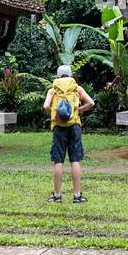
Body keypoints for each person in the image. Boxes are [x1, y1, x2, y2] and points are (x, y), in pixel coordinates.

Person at [42, 64, 94, 203]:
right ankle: (77, 195)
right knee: (74, 160)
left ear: (58, 76)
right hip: (74, 126)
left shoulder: (53, 90)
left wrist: (54, 113)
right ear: (70, 75)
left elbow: (46, 106)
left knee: (58, 160)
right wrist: (79, 110)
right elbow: (91, 103)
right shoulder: (77, 88)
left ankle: (57, 195)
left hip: (59, 127)